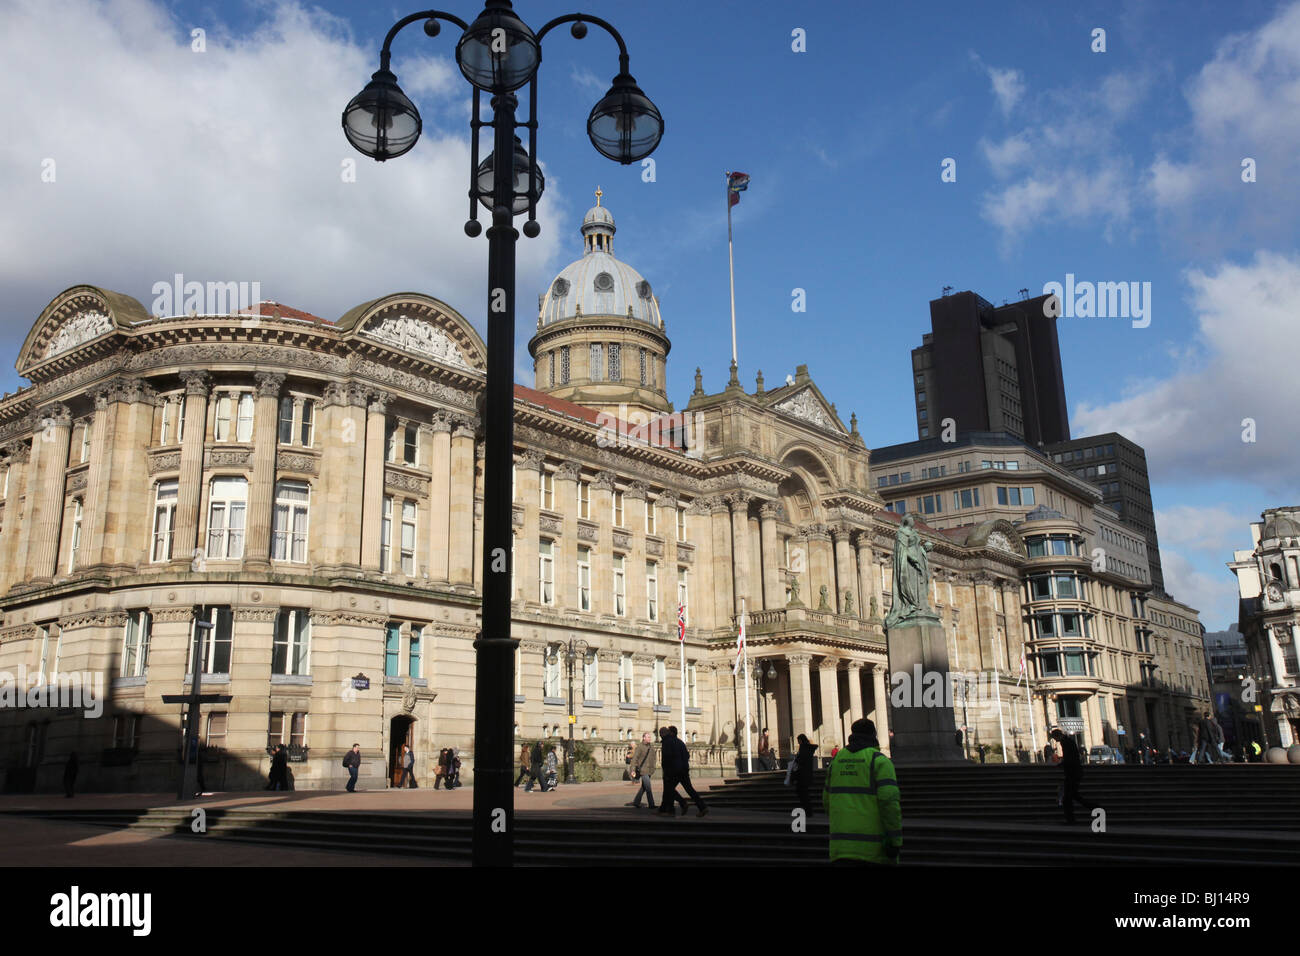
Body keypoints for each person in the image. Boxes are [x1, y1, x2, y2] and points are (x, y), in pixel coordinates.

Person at [822, 718, 900, 865]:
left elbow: (826, 802)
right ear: (874, 735)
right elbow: (889, 805)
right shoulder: (880, 761)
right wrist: (895, 840)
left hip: (841, 847)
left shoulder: (837, 761)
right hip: (873, 850)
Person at [658, 726, 707, 816]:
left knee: (669, 789)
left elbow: (667, 758)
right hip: (683, 769)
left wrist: (666, 770)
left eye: (661, 734)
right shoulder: (680, 742)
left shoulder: (667, 742)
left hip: (673, 770)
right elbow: (687, 756)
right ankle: (702, 807)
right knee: (689, 789)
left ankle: (676, 807)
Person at [1050, 729, 1093, 824]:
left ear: (1057, 736)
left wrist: (1062, 764)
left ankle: (1071, 820)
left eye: (1054, 738)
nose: (1055, 740)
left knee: (1067, 798)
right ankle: (1093, 808)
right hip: (1074, 772)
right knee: (1073, 796)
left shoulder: (1066, 742)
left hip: (1073, 773)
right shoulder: (1067, 741)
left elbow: (1070, 757)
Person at [625, 731, 657, 810]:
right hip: (643, 770)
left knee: (644, 787)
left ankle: (636, 801)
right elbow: (634, 759)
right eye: (648, 737)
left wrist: (654, 767)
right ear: (644, 738)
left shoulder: (651, 747)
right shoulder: (640, 747)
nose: (649, 738)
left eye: (650, 737)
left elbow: (654, 758)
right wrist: (632, 770)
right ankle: (651, 804)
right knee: (648, 788)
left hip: (650, 770)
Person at [795, 733, 818, 816]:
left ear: (801, 740)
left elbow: (800, 760)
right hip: (807, 773)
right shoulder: (808, 748)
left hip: (802, 774)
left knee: (802, 793)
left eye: (798, 741)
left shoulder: (804, 748)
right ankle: (808, 810)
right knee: (804, 793)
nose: (798, 743)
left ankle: (808, 811)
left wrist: (796, 759)